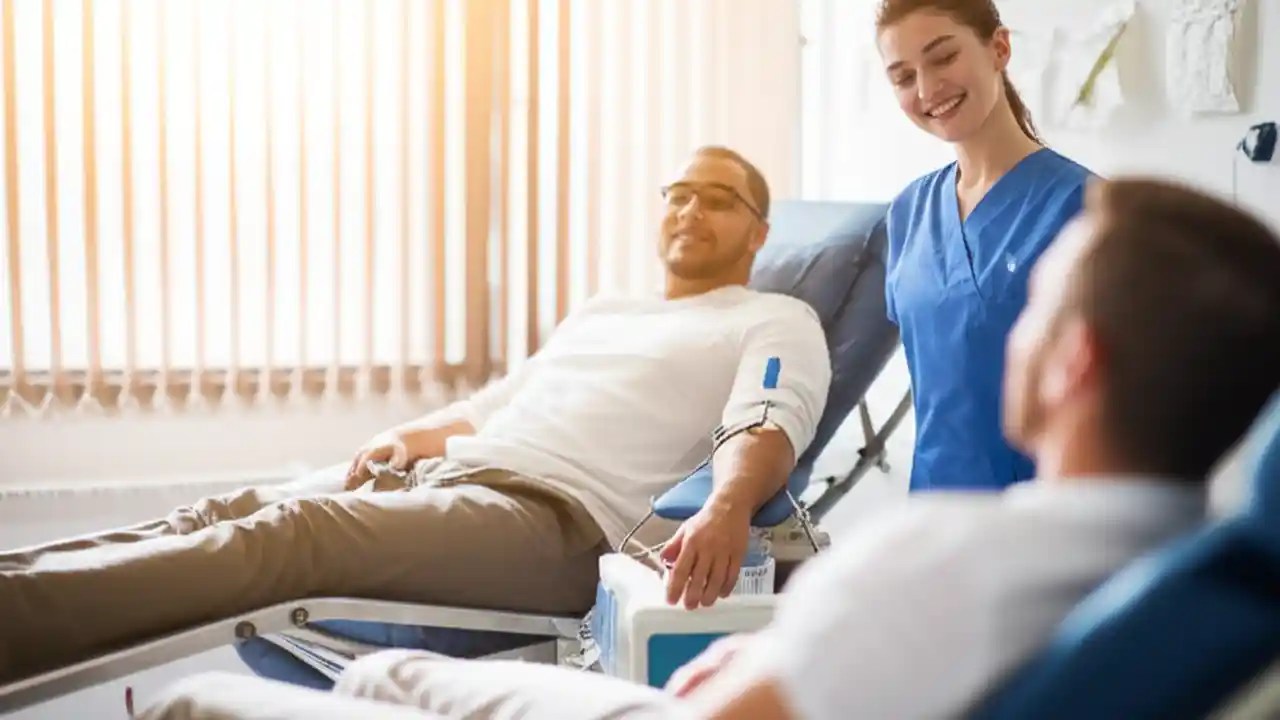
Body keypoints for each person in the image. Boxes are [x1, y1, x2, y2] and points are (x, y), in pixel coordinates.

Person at [143, 177, 1280, 720]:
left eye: (1035, 306)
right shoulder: (1181, 567)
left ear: (1073, 365)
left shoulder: (942, 552)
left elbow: (760, 442)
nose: (1009, 329)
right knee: (382, 669)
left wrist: (736, 532)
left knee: (207, 697)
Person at [0, 146, 832, 684]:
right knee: (232, 509)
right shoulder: (606, 311)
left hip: (553, 524)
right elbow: (498, 403)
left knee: (294, 537)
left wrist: (726, 506)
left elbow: (767, 416)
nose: (691, 211)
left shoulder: (769, 319)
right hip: (456, 478)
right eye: (679, 193)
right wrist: (414, 436)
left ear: (758, 231)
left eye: (718, 199)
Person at [880, 0, 1095, 491]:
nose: (927, 88)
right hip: (936, 513)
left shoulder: (1086, 207)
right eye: (903, 76)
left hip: (1047, 519)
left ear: (999, 49)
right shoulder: (908, 213)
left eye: (943, 58)